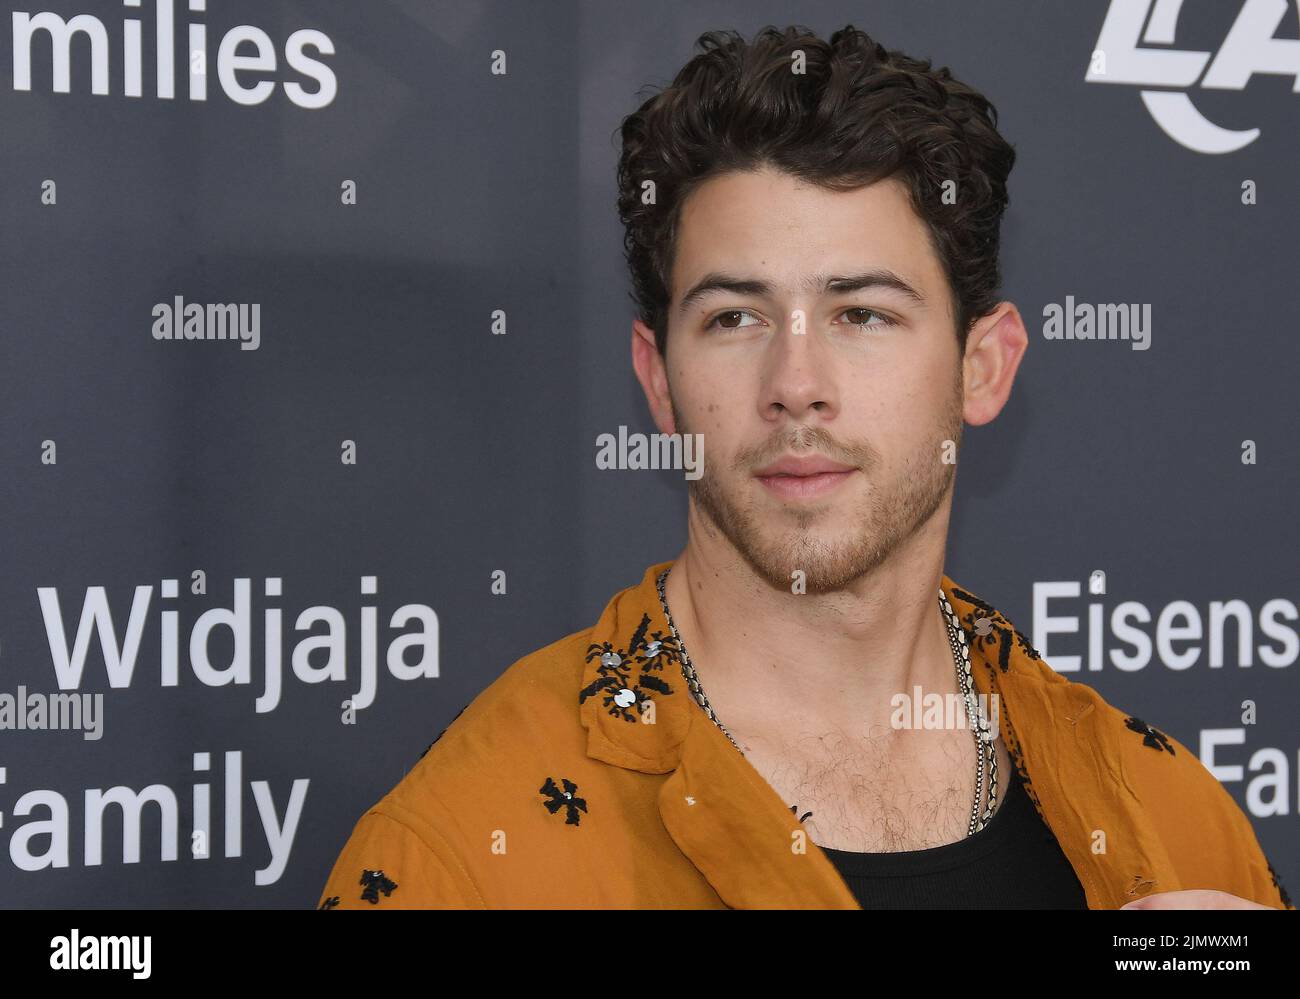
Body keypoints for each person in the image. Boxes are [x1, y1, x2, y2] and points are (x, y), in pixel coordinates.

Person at [317, 23, 1291, 910]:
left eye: (861, 313)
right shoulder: (464, 858)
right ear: (657, 380)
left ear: (981, 367)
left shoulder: (1170, 820)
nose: (795, 384)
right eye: (733, 318)